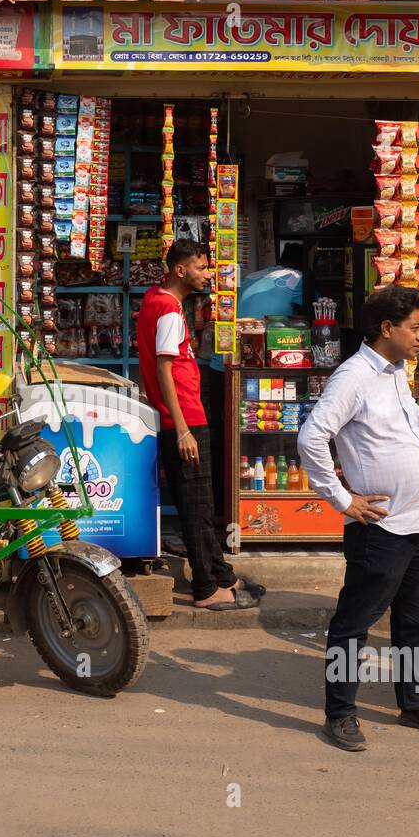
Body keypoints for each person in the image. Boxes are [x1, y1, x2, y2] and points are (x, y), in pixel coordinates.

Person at [297, 285, 419, 751]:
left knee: (414, 623)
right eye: (415, 327)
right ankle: (340, 714)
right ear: (387, 328)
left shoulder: (395, 371)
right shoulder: (352, 377)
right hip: (380, 528)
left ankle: (416, 704)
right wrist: (341, 499)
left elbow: (412, 415)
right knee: (353, 623)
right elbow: (312, 438)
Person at [137, 239, 262, 610]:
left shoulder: (156, 301)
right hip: (185, 418)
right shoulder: (169, 310)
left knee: (201, 505)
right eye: (202, 267)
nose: (208, 275)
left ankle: (222, 575)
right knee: (197, 506)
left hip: (183, 416)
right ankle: (206, 588)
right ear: (180, 270)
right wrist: (183, 428)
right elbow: (163, 369)